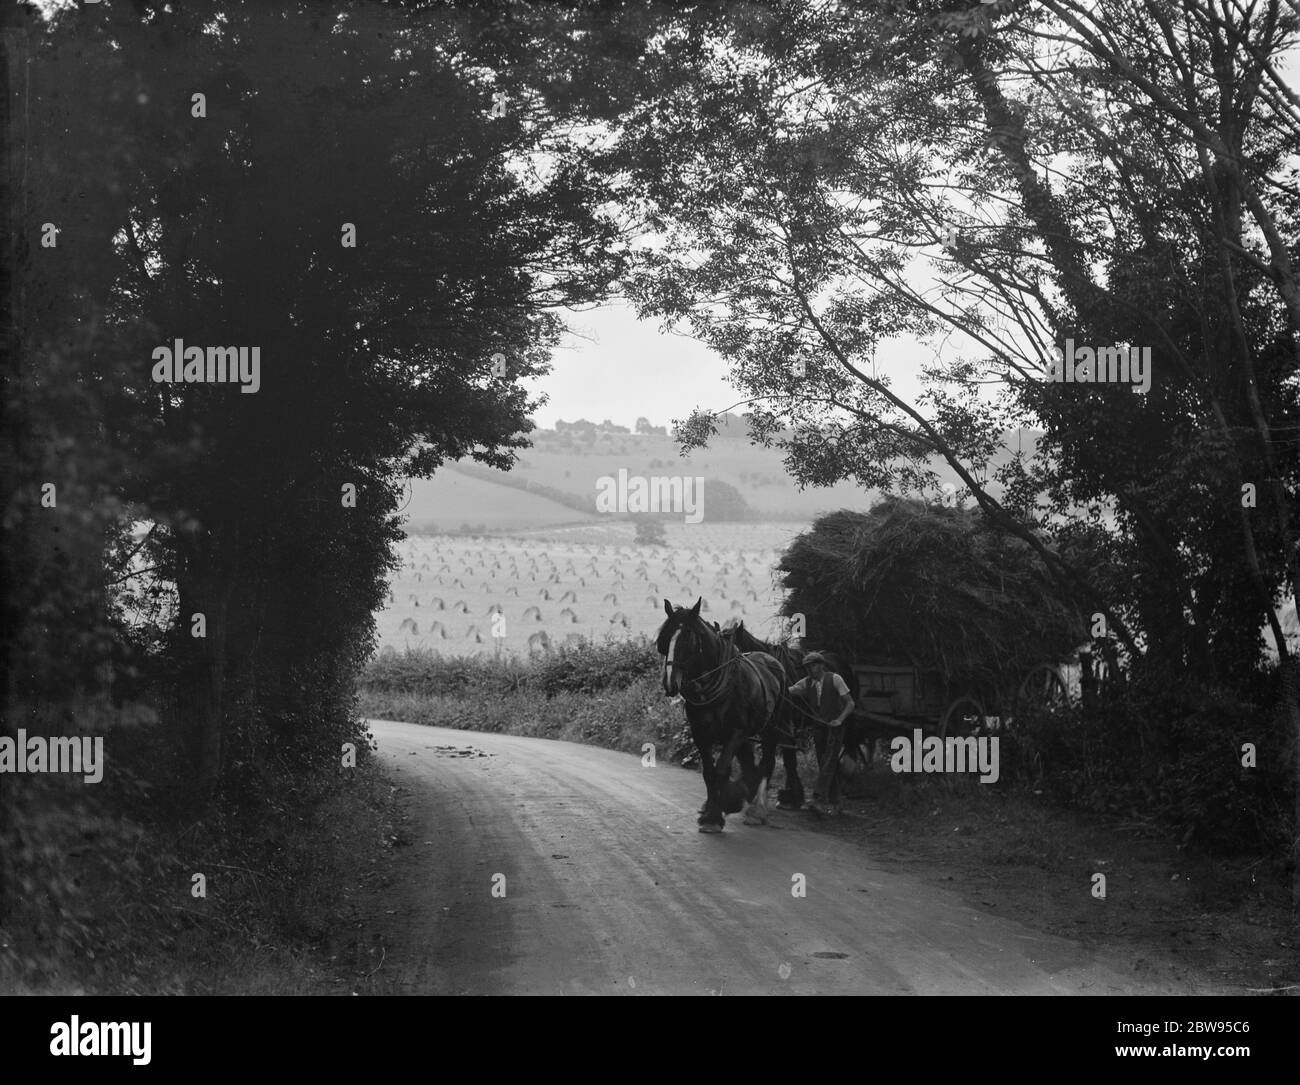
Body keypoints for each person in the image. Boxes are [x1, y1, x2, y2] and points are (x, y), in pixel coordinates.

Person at [788, 652, 855, 816]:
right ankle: (837, 802)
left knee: (828, 762)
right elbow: (789, 690)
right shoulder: (806, 683)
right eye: (807, 667)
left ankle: (819, 799)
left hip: (835, 727)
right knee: (824, 763)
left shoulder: (835, 679)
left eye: (813, 665)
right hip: (819, 729)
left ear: (821, 665)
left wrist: (840, 719)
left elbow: (850, 703)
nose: (810, 669)